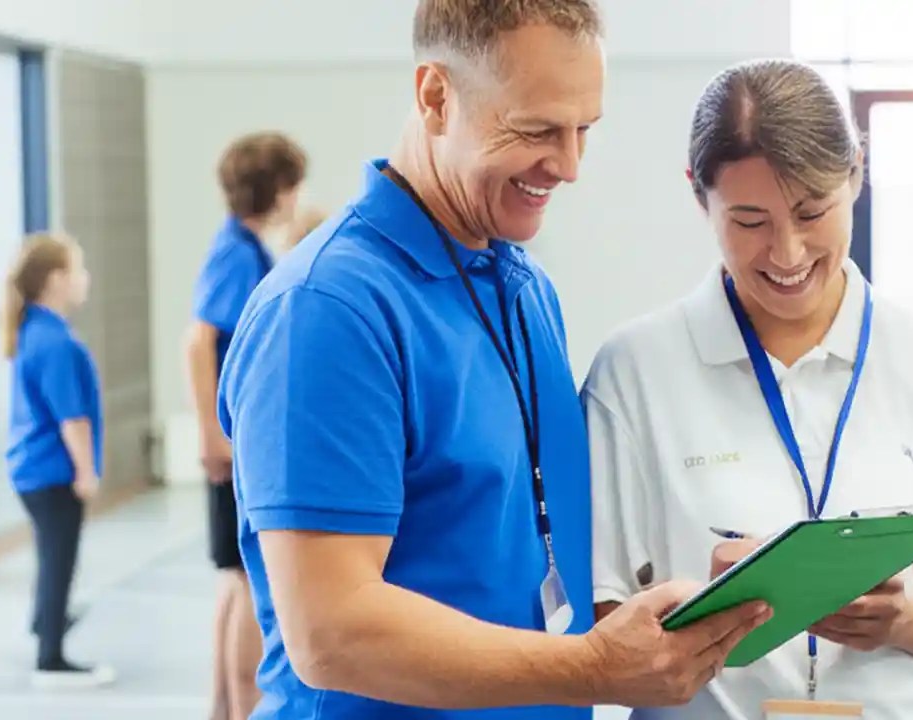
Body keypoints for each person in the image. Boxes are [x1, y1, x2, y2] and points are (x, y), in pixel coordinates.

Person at [215, 2, 769, 719]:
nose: (569, 167)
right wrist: (594, 667)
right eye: (538, 130)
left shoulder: (521, 284)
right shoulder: (326, 311)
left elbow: (514, 543)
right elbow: (332, 631)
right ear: (436, 97)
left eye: (584, 131)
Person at [585, 60, 913, 720]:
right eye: (749, 221)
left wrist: (901, 621)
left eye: (810, 211)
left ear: (855, 171)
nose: (788, 252)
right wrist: (706, 614)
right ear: (698, 195)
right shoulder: (633, 372)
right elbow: (601, 629)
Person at [184, 131, 307, 720]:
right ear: (280, 190)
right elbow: (199, 340)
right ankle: (240, 704)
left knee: (233, 577)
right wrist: (212, 433)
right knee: (243, 581)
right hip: (234, 445)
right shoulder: (237, 252)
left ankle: (222, 705)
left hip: (238, 442)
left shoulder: (247, 249)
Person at [2, 232, 114, 689]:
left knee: (51, 553)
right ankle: (51, 656)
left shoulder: (36, 331)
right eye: (77, 269)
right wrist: (86, 472)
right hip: (53, 472)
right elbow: (74, 419)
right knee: (58, 559)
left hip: (30, 469)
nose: (84, 279)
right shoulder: (57, 343)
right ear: (55, 280)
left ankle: (44, 621)